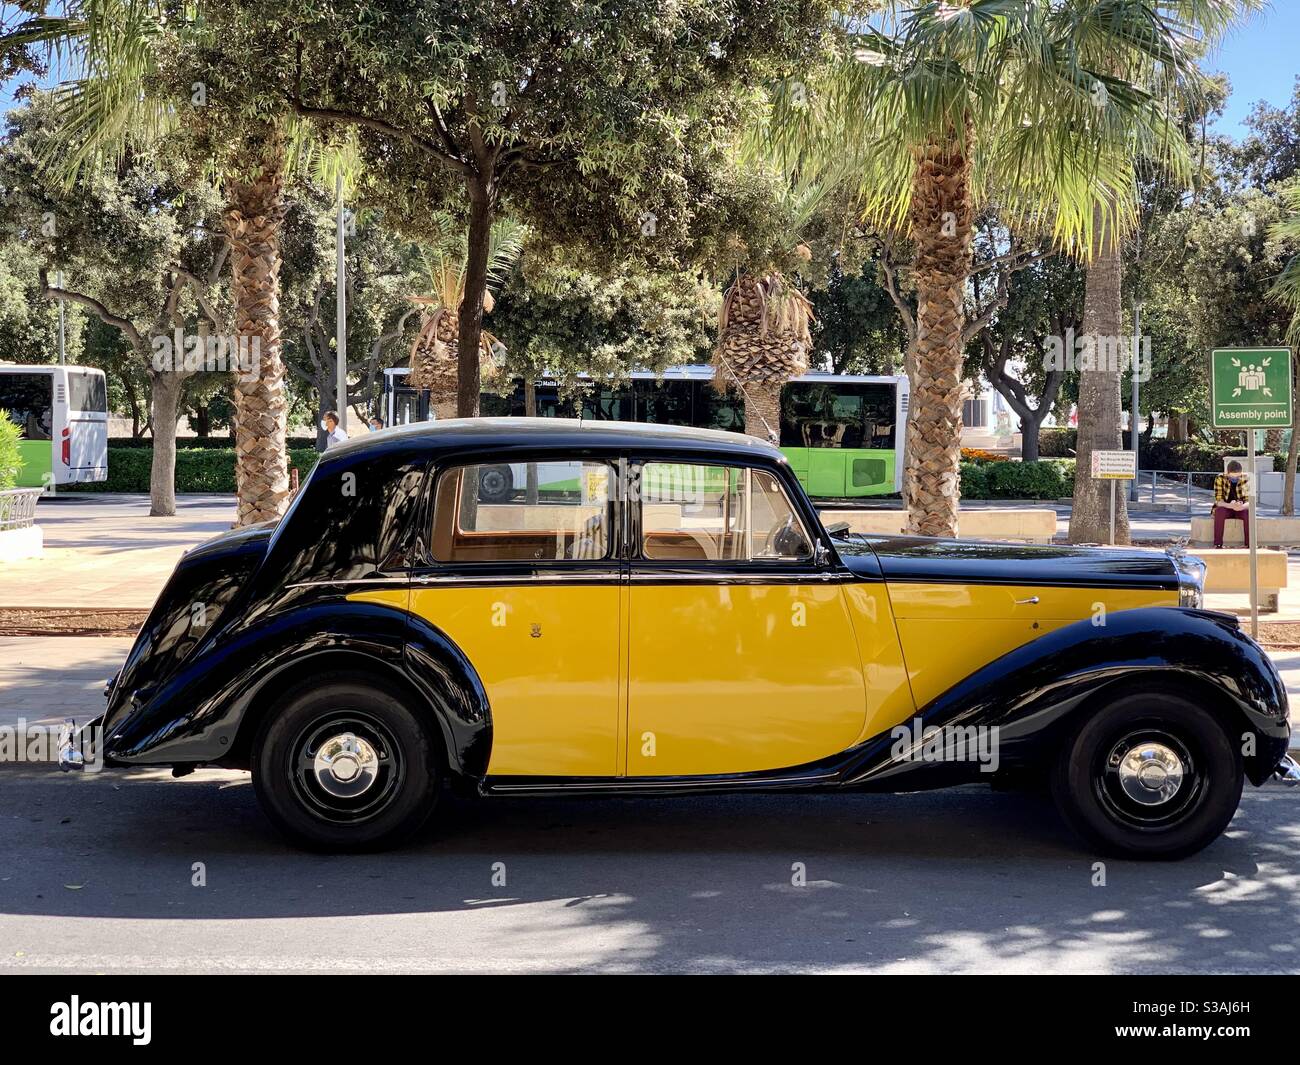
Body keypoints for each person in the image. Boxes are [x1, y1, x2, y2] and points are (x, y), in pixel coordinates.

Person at [1211, 460, 1250, 548]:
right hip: (1226, 507)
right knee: (1219, 512)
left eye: (1237, 477)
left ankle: (1249, 544)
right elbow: (1218, 501)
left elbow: (1250, 501)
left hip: (1241, 507)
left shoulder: (1247, 478)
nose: (1235, 479)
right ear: (1227, 473)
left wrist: (1242, 506)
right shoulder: (1220, 478)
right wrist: (1230, 505)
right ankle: (1218, 544)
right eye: (1233, 477)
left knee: (1248, 514)